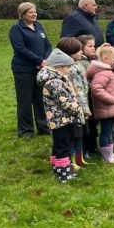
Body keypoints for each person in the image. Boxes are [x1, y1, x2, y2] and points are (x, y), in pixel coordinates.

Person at [36, 48, 85, 182]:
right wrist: (77, 109)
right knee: (62, 146)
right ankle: (63, 174)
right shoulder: (55, 82)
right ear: (58, 67)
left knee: (59, 145)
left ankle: (59, 168)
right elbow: (65, 102)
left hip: (60, 119)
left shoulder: (56, 80)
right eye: (68, 67)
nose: (69, 70)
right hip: (61, 120)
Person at [9, 2, 52, 138]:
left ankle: (43, 127)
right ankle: (26, 131)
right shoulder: (16, 29)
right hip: (23, 69)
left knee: (40, 99)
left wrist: (45, 60)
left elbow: (48, 45)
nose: (34, 14)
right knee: (25, 100)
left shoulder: (39, 26)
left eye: (35, 12)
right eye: (30, 12)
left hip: (41, 69)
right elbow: (20, 49)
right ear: (22, 15)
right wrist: (39, 61)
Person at [86, 45, 114, 164]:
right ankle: (106, 156)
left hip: (111, 108)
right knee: (106, 131)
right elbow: (96, 88)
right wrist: (112, 99)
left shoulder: (109, 71)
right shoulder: (102, 73)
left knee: (109, 130)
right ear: (104, 58)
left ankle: (110, 153)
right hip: (107, 108)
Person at [55, 37, 92, 169]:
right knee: (73, 134)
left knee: (79, 134)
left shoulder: (78, 64)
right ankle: (72, 161)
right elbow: (77, 90)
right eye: (78, 50)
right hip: (75, 106)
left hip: (81, 103)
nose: (81, 52)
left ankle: (79, 159)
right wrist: (84, 109)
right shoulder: (70, 68)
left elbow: (83, 86)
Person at [76, 34, 99, 160]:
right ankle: (86, 148)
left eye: (94, 46)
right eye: (90, 46)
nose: (93, 48)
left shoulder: (91, 61)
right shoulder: (82, 63)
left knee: (93, 124)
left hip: (92, 98)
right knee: (87, 125)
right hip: (86, 99)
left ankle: (93, 146)